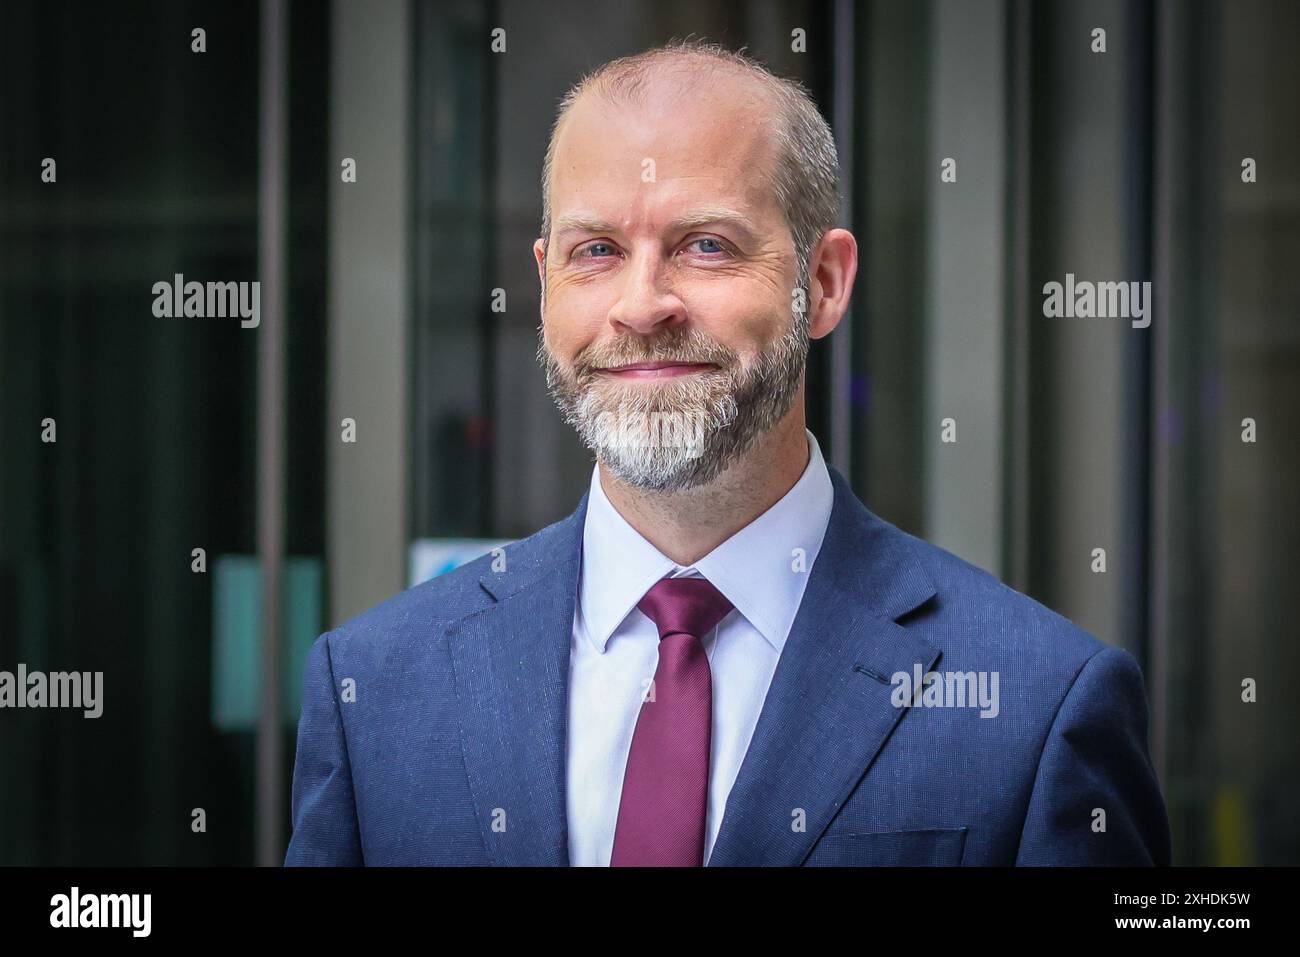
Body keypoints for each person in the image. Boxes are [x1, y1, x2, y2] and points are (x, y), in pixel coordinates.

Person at [285, 38, 1170, 867]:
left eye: (705, 245)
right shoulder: (372, 692)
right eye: (595, 251)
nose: (642, 306)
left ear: (821, 284)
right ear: (544, 281)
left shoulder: (1038, 703)